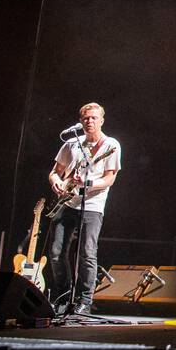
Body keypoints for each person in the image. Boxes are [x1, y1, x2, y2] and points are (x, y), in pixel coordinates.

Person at [46, 102, 121, 316]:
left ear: (102, 120)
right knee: (56, 252)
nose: (89, 121)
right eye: (86, 118)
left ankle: (85, 300)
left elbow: (109, 179)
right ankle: (62, 296)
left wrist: (86, 183)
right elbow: (55, 172)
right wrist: (56, 182)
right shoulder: (71, 144)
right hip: (66, 203)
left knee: (87, 253)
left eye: (94, 118)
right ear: (80, 121)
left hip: (93, 205)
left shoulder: (110, 145)